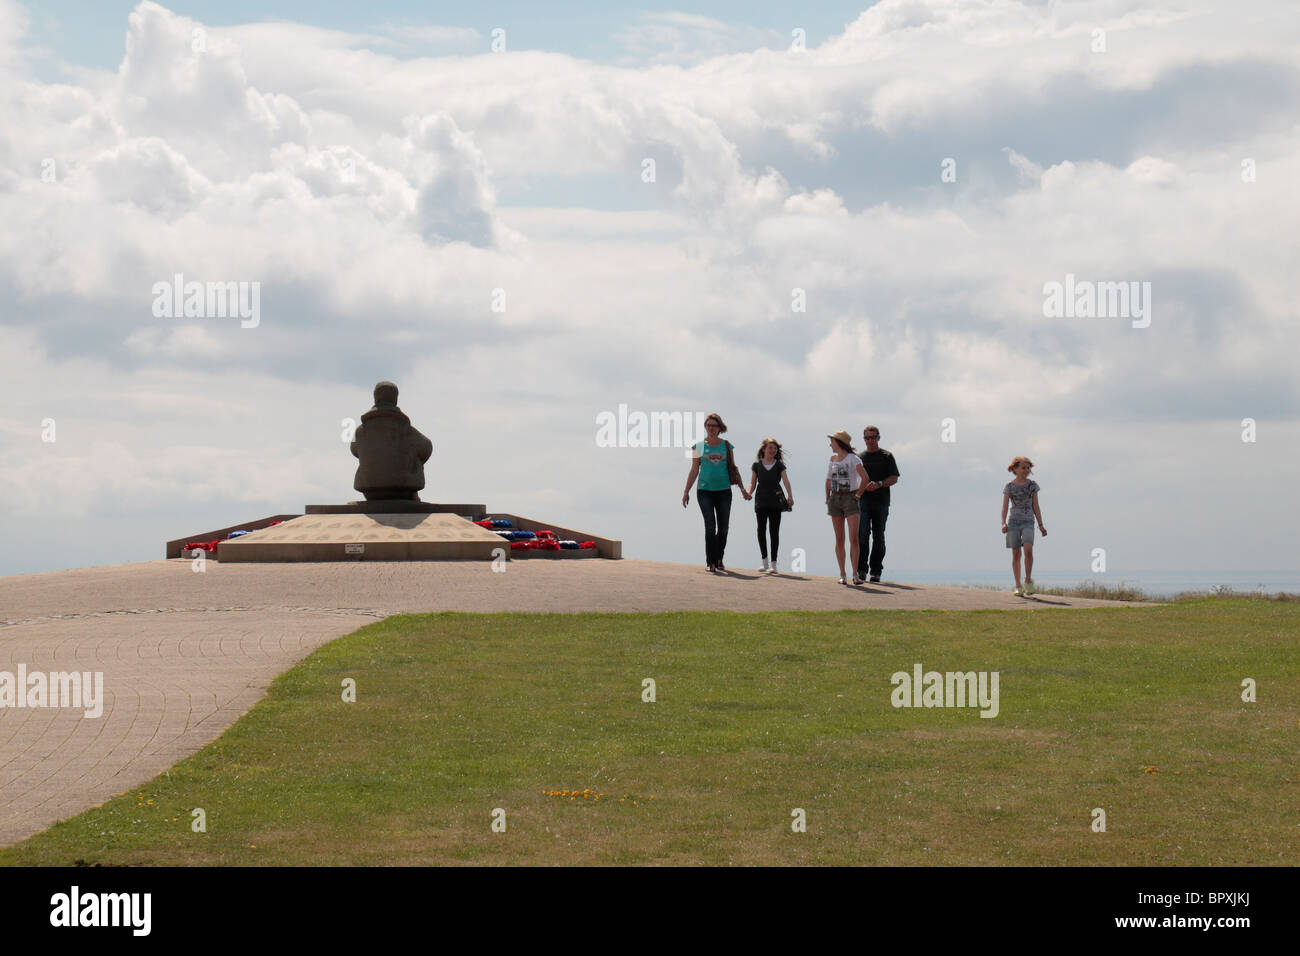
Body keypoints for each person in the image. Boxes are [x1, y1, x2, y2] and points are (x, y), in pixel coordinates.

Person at [682, 413, 750, 572]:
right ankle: (710, 562)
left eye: (714, 426)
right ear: (705, 427)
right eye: (708, 425)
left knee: (724, 527)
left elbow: (733, 467)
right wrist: (686, 491)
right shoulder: (697, 446)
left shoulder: (727, 446)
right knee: (710, 526)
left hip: (724, 491)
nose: (711, 428)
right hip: (704, 491)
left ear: (720, 428)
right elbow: (694, 470)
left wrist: (742, 489)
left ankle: (719, 558)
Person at [855, 425, 901, 583]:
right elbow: (854, 479)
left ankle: (875, 571)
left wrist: (880, 483)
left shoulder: (886, 456)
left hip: (881, 502)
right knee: (862, 535)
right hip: (863, 501)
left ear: (878, 438)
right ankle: (861, 570)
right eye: (867, 438)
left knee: (878, 537)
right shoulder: (859, 458)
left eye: (873, 437)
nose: (870, 441)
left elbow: (894, 477)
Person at [825, 429, 870, 586]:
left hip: (850, 497)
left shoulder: (853, 458)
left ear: (839, 442)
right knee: (839, 538)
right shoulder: (833, 458)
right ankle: (842, 573)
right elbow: (829, 479)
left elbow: (865, 478)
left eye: (832, 441)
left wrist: (858, 495)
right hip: (835, 498)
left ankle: (855, 574)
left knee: (854, 538)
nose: (830, 444)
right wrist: (827, 497)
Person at [1001, 456, 1047, 596]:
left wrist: (1041, 525)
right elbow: (1004, 507)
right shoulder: (1009, 486)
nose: (1026, 470)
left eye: (1028, 468)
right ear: (1015, 469)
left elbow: (1036, 506)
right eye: (1023, 467)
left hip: (1028, 521)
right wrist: (1003, 522)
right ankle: (1018, 585)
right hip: (1013, 522)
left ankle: (1028, 581)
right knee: (1016, 554)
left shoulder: (1032, 485)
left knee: (1028, 550)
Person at [746, 438, 794, 573]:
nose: (773, 450)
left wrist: (790, 496)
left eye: (775, 448)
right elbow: (752, 483)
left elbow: (786, 481)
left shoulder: (779, 465)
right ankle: (764, 562)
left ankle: (773, 564)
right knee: (761, 530)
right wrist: (748, 493)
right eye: (770, 448)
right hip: (761, 500)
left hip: (775, 501)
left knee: (774, 532)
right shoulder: (756, 465)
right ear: (764, 449)